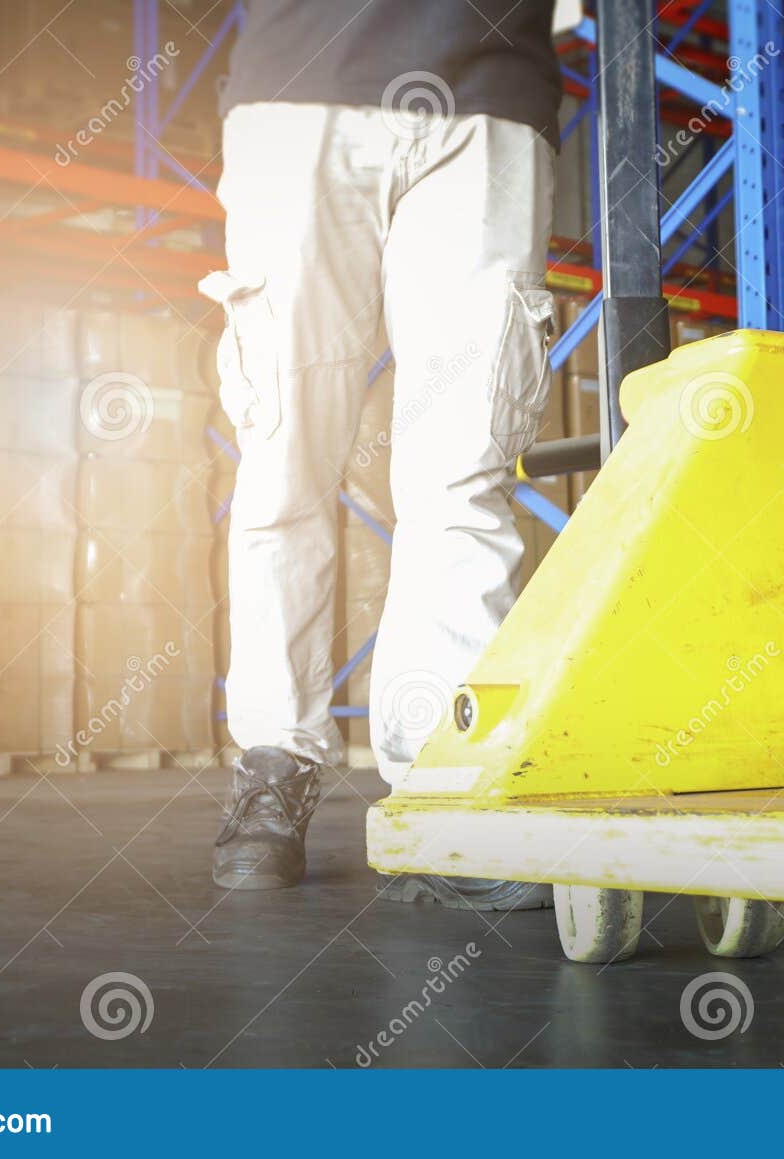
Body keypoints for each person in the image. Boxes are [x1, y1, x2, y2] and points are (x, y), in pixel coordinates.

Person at [201, 0, 562, 906]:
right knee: (285, 459)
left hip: (491, 96)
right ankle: (275, 759)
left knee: (462, 474)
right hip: (303, 83)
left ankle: (442, 790)